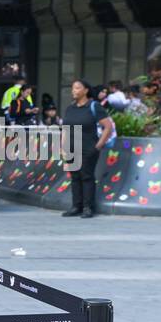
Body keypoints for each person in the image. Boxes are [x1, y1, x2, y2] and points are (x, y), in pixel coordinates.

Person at [59, 78, 114, 219]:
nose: (74, 91)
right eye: (73, 88)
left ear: (86, 90)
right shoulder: (70, 108)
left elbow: (108, 126)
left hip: (88, 147)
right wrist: (63, 147)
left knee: (86, 176)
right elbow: (65, 129)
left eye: (77, 88)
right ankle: (76, 206)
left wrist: (99, 145)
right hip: (72, 147)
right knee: (75, 177)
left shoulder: (94, 106)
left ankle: (88, 207)